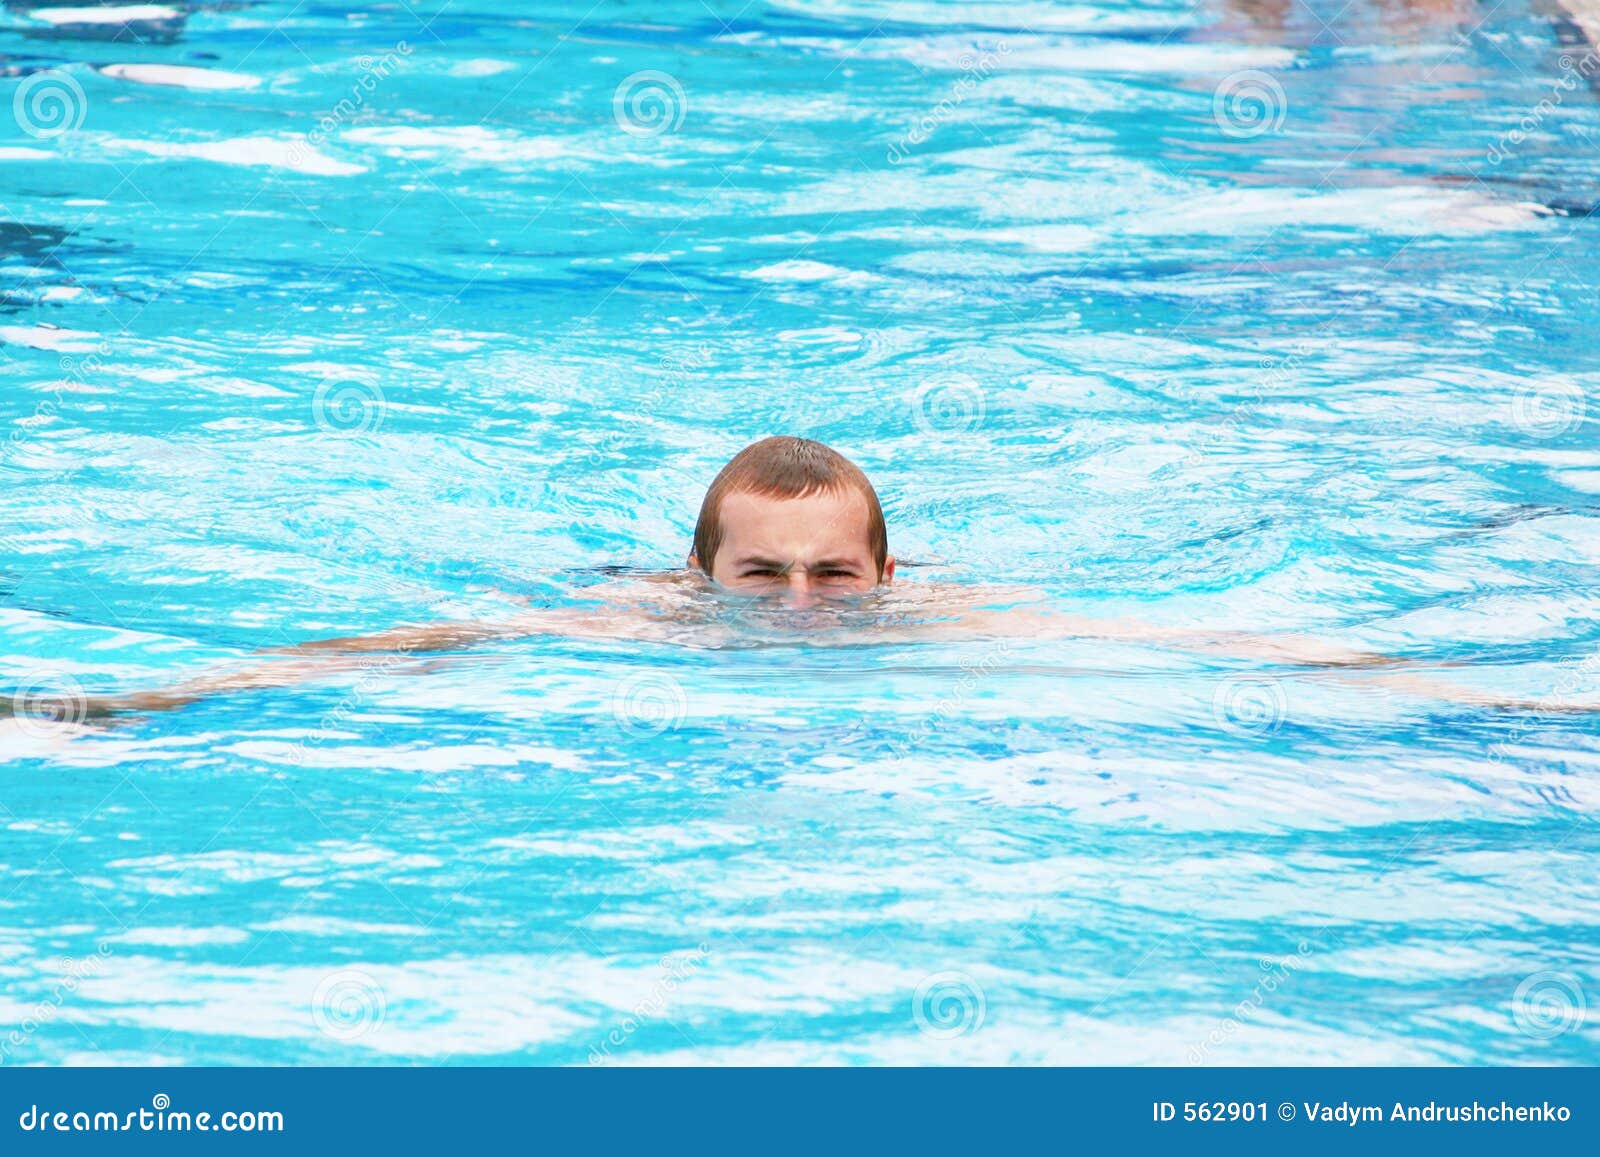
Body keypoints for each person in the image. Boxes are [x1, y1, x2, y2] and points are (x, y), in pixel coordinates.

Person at [7, 436, 1589, 720]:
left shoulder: (943, 613)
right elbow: (410, 648)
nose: (802, 613)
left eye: (834, 579)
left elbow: (1198, 641)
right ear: (699, 571)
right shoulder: (643, 616)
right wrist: (138, 698)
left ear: (889, 567)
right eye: (760, 578)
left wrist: (1505, 699)